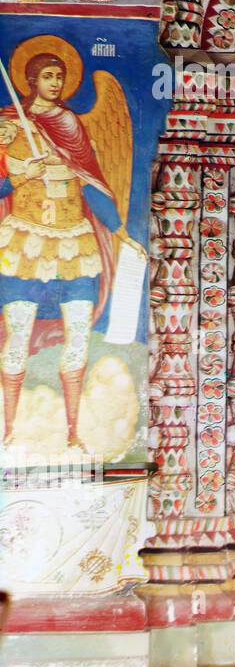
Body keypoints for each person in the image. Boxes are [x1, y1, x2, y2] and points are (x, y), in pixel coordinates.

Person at [0, 50, 136, 448]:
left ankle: (74, 433)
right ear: (30, 81)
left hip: (75, 246)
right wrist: (22, 176)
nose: (55, 82)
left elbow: (91, 186)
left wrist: (120, 232)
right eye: (47, 75)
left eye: (59, 75)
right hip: (23, 244)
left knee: (79, 337)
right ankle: (7, 431)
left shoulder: (71, 125)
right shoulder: (8, 126)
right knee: (17, 335)